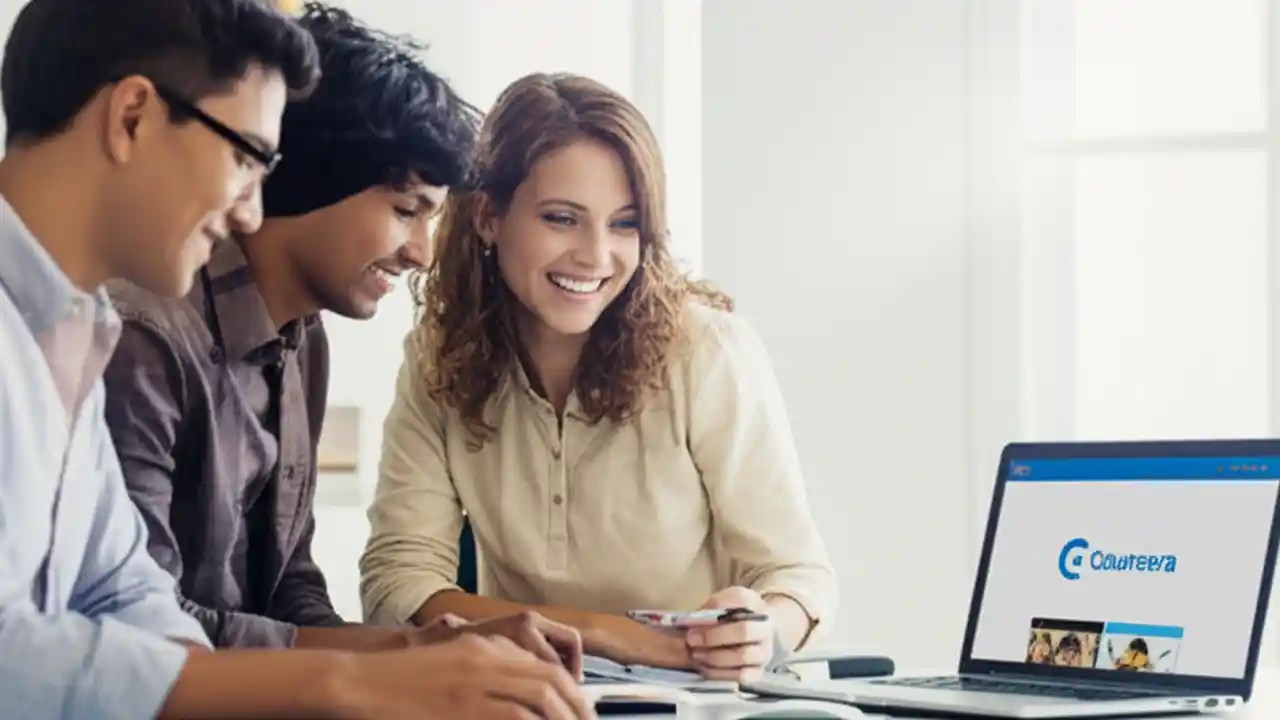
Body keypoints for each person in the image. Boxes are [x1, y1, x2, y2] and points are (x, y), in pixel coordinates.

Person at [0, 1, 590, 717]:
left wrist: (412, 663)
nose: (253, 212)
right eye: (246, 157)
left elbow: (126, 600)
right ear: (132, 118)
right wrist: (350, 682)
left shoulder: (68, 327)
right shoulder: (113, 331)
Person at [360, 72, 838, 682]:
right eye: (562, 218)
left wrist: (764, 631)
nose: (595, 256)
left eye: (624, 224)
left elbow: (798, 577)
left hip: (692, 702)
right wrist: (614, 637)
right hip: (524, 696)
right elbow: (398, 585)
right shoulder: (437, 358)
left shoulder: (707, 351)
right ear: (487, 216)